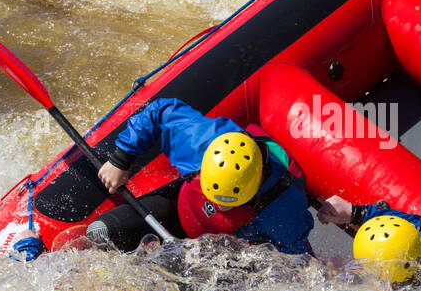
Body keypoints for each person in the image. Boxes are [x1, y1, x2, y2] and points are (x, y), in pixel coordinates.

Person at [91, 97, 314, 255]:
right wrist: (120, 159)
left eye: (229, 203)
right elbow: (160, 110)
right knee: (100, 232)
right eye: (214, 195)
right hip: (182, 208)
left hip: (227, 255)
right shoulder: (201, 142)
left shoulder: (283, 209)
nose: (217, 206)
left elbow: (297, 260)